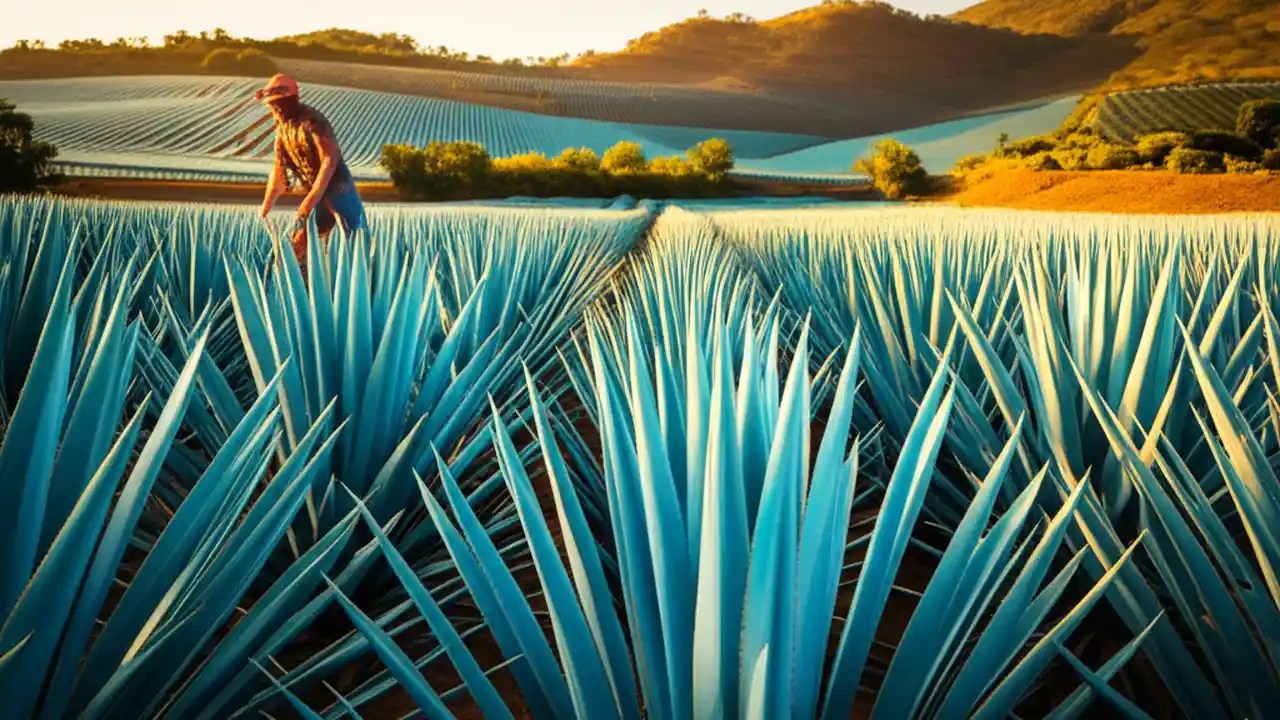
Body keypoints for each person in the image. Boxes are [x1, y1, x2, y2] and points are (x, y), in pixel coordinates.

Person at [255, 74, 366, 277]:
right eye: (272, 105)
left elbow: (329, 159)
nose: (274, 109)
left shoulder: (313, 121)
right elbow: (279, 168)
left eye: (277, 104)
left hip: (337, 190)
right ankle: (305, 286)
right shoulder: (283, 130)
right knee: (300, 245)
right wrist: (267, 203)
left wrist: (310, 199)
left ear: (290, 101)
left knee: (354, 239)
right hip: (315, 195)